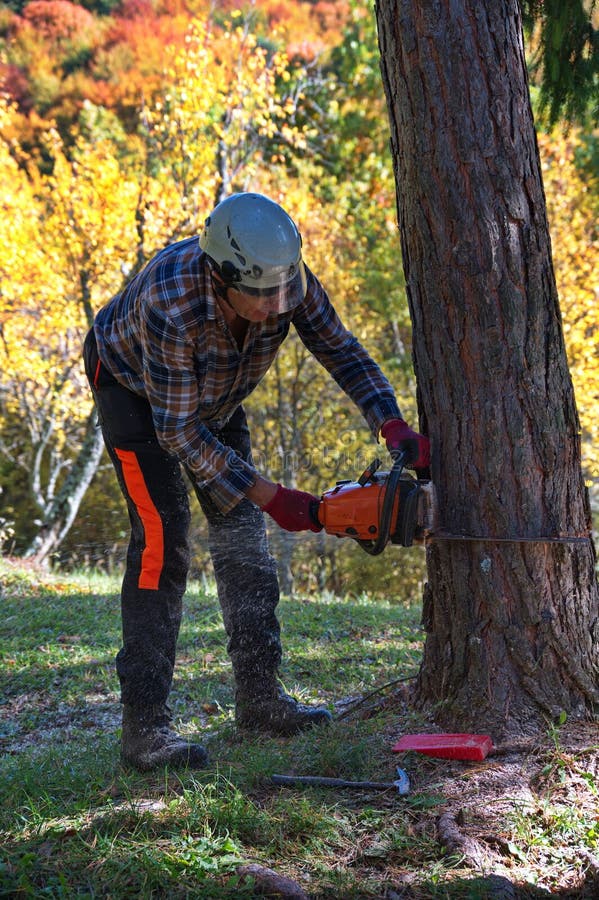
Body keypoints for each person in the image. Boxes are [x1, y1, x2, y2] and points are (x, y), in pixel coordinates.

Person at [83, 192, 430, 771]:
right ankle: (145, 729)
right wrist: (271, 495)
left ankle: (261, 700)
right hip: (140, 400)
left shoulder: (281, 277)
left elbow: (339, 350)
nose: (277, 308)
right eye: (262, 298)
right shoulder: (171, 301)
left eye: (283, 294)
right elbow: (179, 433)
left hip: (215, 397)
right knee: (163, 544)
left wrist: (390, 423)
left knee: (244, 540)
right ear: (222, 279)